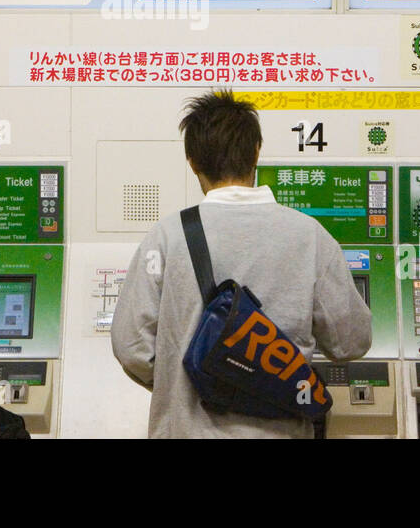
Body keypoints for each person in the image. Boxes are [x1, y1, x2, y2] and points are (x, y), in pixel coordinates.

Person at [111, 90, 372, 437]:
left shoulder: (166, 236)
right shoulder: (310, 237)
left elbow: (130, 345)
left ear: (191, 161)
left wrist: (189, 381)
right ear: (256, 152)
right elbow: (350, 341)